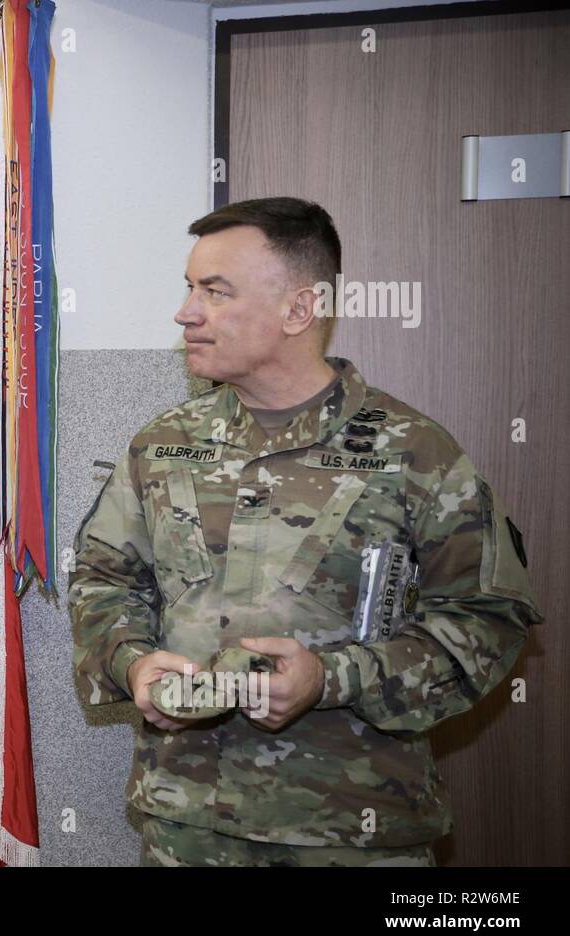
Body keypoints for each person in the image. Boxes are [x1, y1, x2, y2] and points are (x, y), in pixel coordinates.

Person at [69, 197, 543, 866]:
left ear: (298, 309)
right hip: (188, 829)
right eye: (188, 288)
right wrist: (133, 662)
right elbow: (102, 581)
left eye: (215, 291)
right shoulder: (162, 446)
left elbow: (488, 620)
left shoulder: (414, 453)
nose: (186, 313)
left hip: (355, 835)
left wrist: (333, 679)